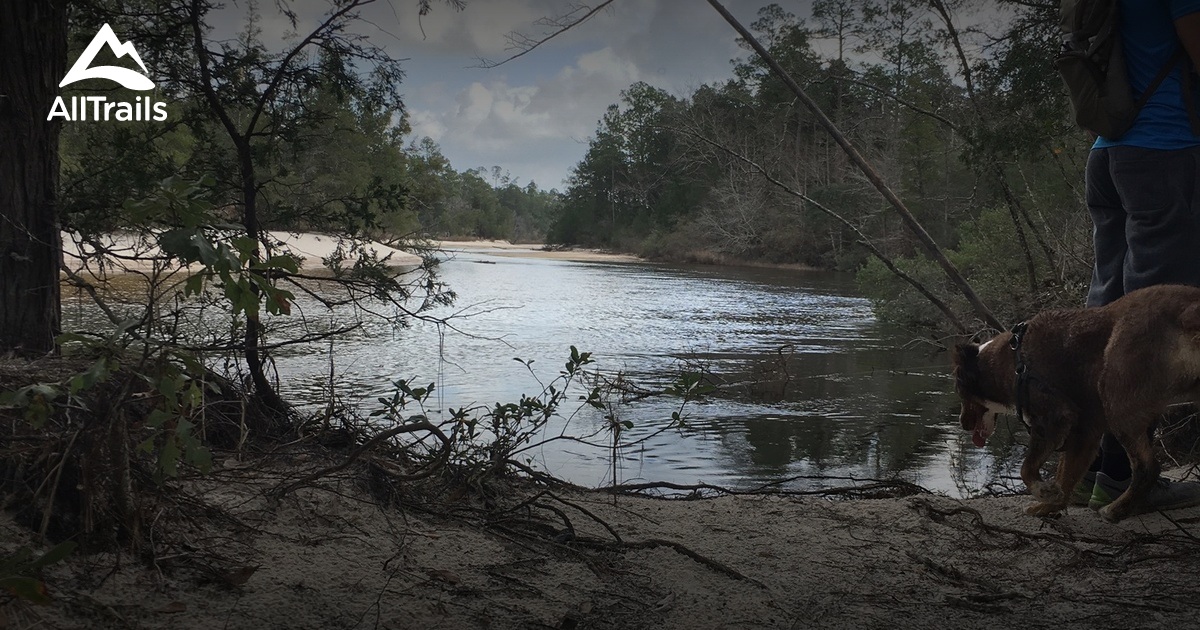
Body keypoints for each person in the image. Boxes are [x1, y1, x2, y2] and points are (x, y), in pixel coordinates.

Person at [1079, 0, 1200, 512]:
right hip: (1164, 153)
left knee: (1106, 312)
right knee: (1153, 320)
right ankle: (1123, 476)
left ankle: (1081, 463)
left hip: (1109, 152)